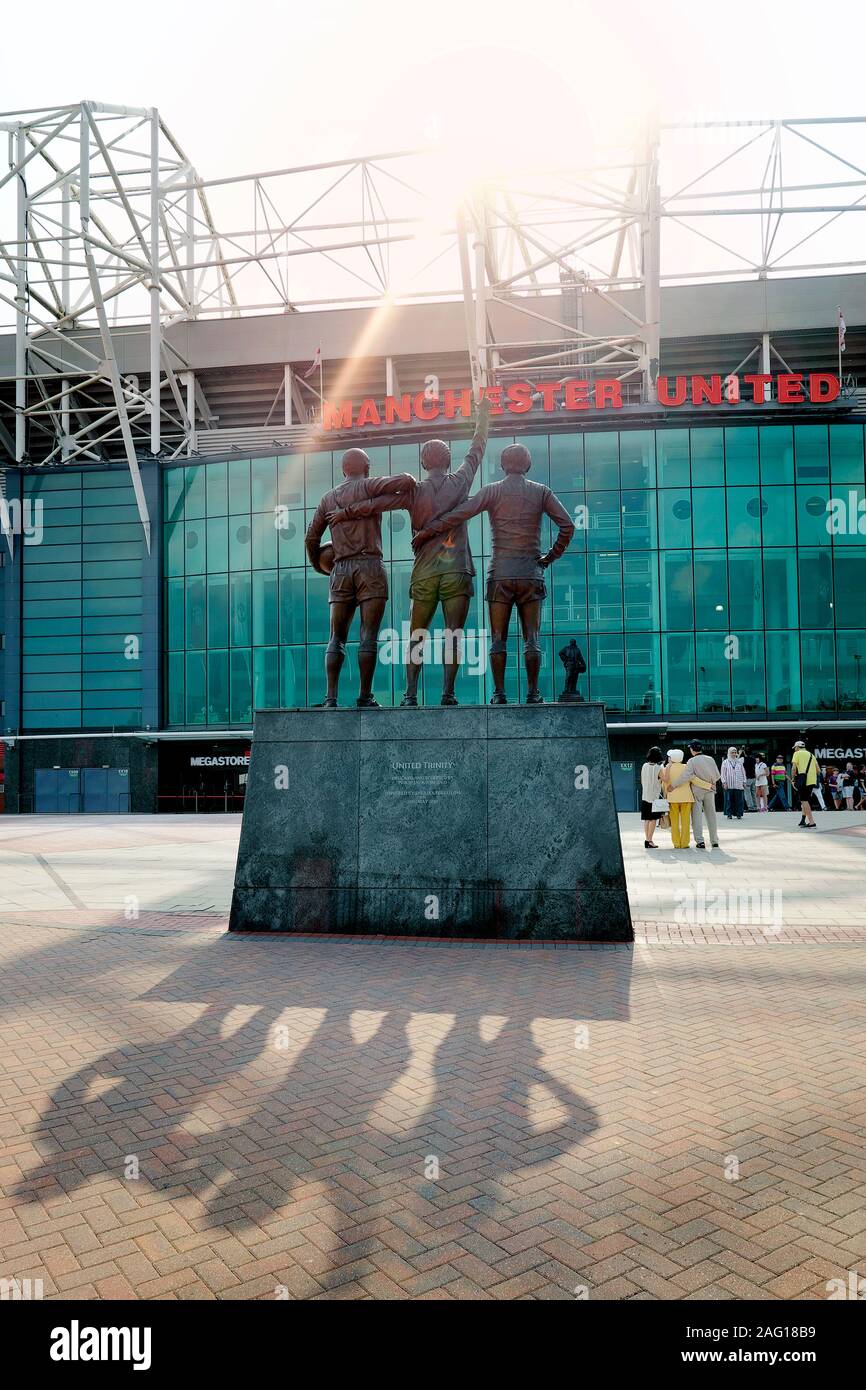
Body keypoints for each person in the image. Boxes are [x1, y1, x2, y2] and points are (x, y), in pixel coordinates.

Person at [326, 398, 491, 706]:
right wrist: (483, 415)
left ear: (424, 464)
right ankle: (448, 694)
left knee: (417, 636)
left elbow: (377, 505)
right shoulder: (461, 480)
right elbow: (477, 446)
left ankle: (411, 695)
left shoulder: (413, 491)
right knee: (453, 635)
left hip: (426, 573)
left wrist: (346, 512)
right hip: (457, 570)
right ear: (447, 459)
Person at [412, 438, 575, 704]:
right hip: (530, 573)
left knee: (498, 640)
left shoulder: (492, 491)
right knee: (531, 638)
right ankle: (533, 694)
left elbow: (458, 515)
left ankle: (499, 695)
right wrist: (548, 558)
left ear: (502, 466)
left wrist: (426, 532)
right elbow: (567, 526)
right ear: (528, 465)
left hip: (499, 574)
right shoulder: (541, 491)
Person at [305, 453, 416, 707]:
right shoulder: (369, 485)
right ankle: (365, 696)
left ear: (343, 470)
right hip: (370, 567)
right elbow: (408, 481)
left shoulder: (327, 498)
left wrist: (320, 567)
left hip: (340, 569)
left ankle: (330, 698)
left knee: (336, 637)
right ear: (366, 468)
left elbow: (311, 538)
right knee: (368, 636)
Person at [669, 740, 721, 848]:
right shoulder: (710, 759)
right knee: (711, 816)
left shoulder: (691, 761)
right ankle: (714, 840)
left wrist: (673, 785)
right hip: (710, 791)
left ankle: (700, 841)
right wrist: (710, 784)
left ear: (692, 749)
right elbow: (717, 775)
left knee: (696, 817)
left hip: (697, 792)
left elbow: (686, 776)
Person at [661, 749, 694, 848]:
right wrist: (708, 785)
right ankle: (685, 843)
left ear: (671, 758)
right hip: (686, 797)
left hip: (672, 798)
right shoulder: (687, 767)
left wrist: (666, 796)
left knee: (674, 822)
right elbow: (694, 780)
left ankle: (676, 843)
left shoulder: (667, 768)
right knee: (686, 822)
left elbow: (664, 785)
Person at [640, 746, 664, 849]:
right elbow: (666, 779)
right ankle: (649, 841)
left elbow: (641, 781)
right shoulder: (659, 767)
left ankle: (647, 839)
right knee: (653, 820)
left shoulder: (644, 766)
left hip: (645, 796)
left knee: (647, 819)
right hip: (654, 797)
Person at [791, 740, 819, 827]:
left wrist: (793, 778)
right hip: (812, 781)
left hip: (803, 780)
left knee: (804, 801)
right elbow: (818, 770)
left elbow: (793, 768)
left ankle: (811, 822)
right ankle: (803, 820)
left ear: (797, 747)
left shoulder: (797, 753)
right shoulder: (811, 755)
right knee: (804, 800)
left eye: (795, 748)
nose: (795, 749)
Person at [721, 746, 746, 819]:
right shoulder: (725, 762)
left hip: (738, 783)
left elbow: (743, 772)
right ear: (729, 753)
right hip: (729, 784)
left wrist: (744, 781)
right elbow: (723, 773)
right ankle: (729, 814)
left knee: (739, 800)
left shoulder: (739, 762)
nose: (734, 754)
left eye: (735, 752)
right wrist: (724, 782)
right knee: (729, 800)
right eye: (732, 752)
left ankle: (739, 814)